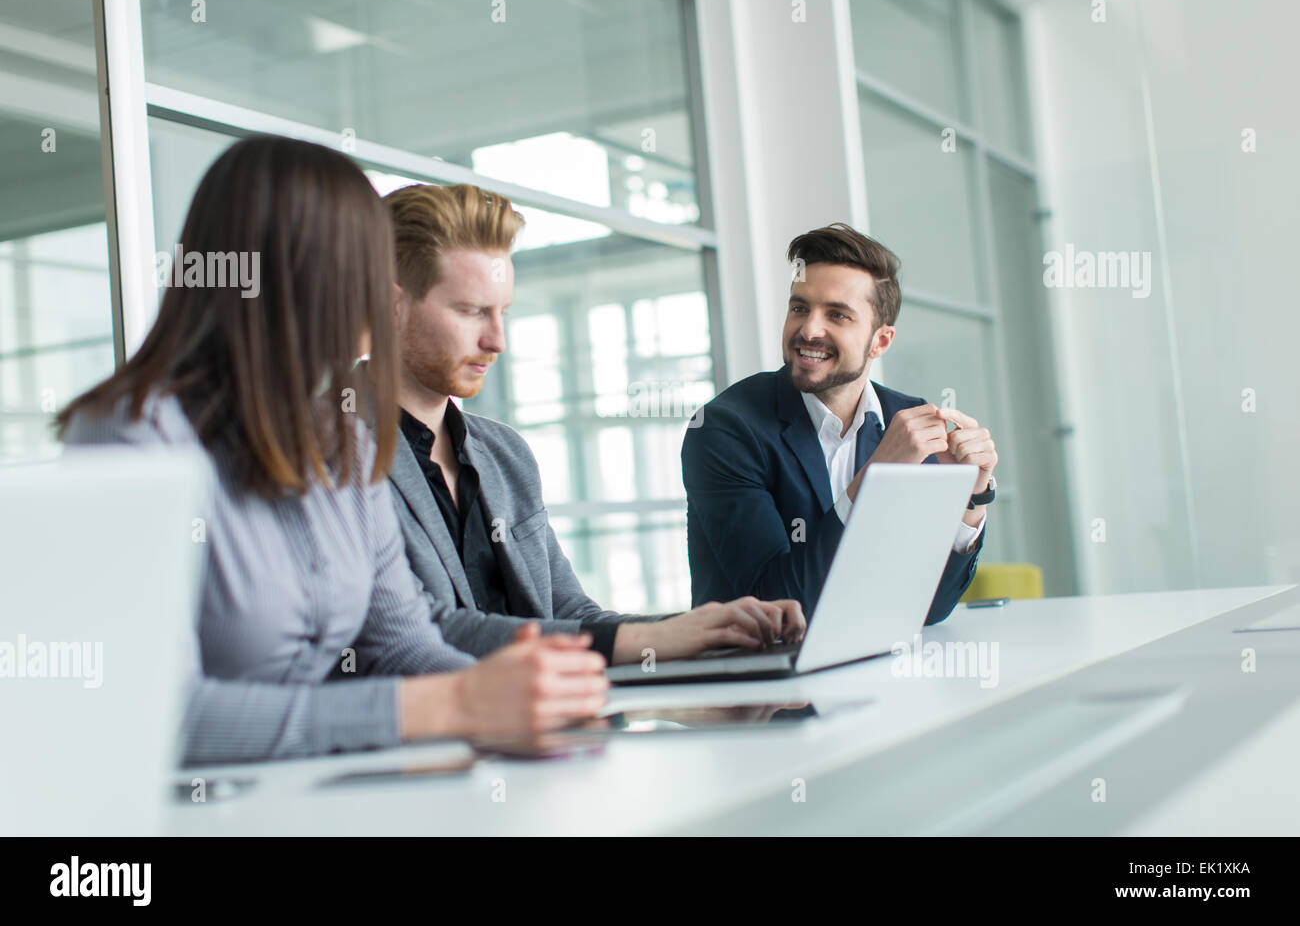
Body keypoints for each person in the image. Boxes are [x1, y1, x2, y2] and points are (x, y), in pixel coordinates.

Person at [57, 135, 608, 765]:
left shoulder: (342, 437)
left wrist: (514, 701)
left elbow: (401, 646)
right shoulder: (131, 437)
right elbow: (156, 718)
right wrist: (453, 707)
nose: (386, 294)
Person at [371, 182, 805, 665]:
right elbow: (419, 634)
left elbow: (568, 611)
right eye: (472, 312)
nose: (498, 340)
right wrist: (660, 642)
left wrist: (703, 630)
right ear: (394, 306)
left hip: (547, 728)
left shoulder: (504, 454)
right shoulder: (326, 453)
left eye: (504, 313)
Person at [681, 223, 998, 625]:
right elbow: (778, 608)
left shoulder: (907, 421)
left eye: (837, 315)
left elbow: (929, 609)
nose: (809, 329)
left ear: (880, 341)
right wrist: (878, 476)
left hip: (872, 667)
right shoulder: (724, 429)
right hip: (756, 678)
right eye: (799, 307)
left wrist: (969, 500)